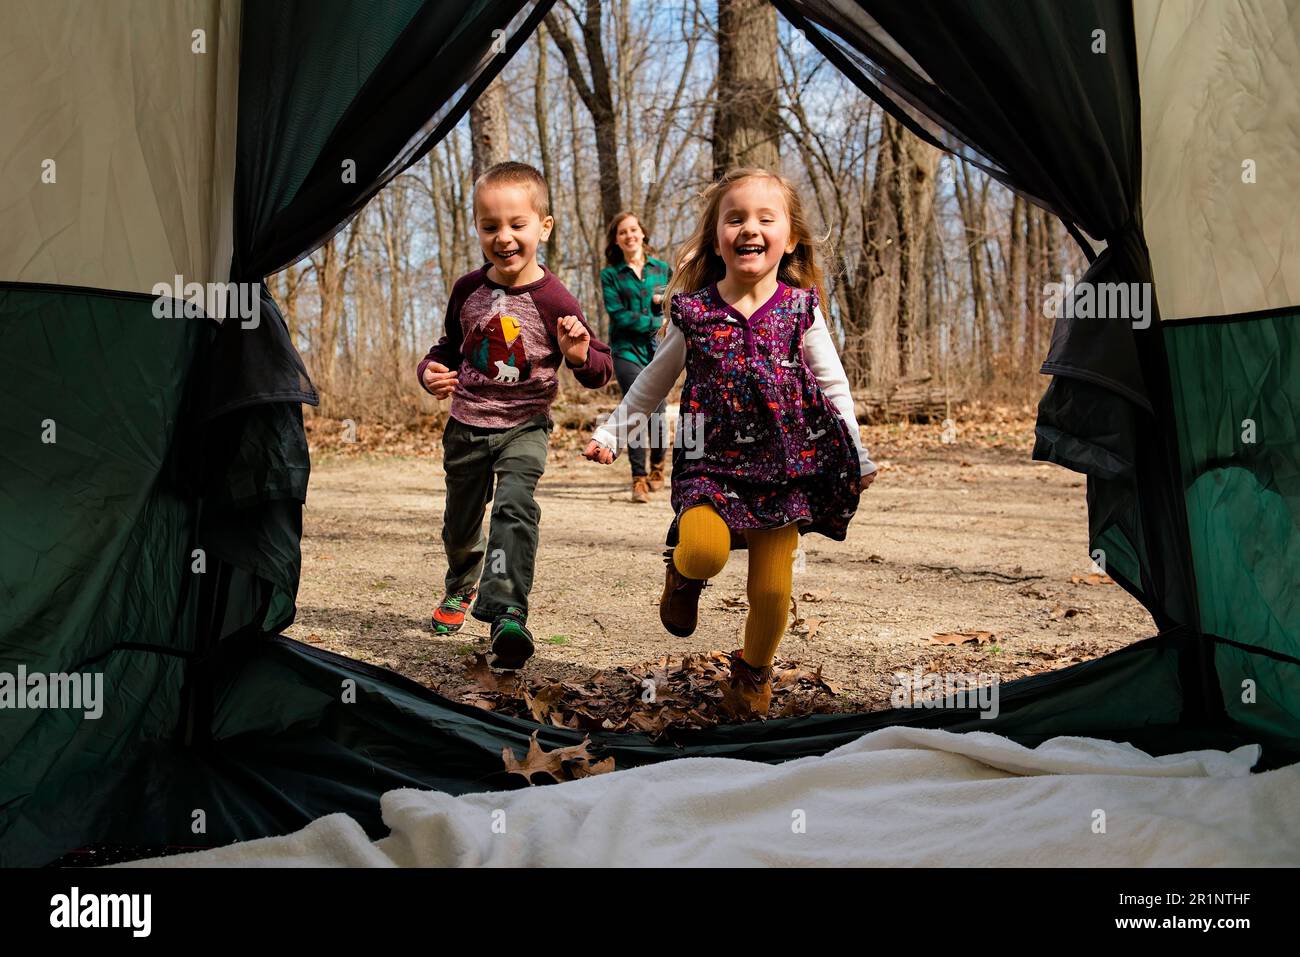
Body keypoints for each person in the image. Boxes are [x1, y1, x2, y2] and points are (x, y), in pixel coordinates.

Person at [584, 167, 876, 717]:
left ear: (789, 238)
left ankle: (752, 672)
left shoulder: (800, 309)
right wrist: (612, 434)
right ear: (716, 236)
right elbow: (652, 382)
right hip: (710, 465)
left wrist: (855, 452)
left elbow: (834, 384)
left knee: (770, 595)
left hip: (786, 468)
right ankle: (682, 574)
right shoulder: (695, 313)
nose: (750, 228)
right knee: (703, 550)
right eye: (735, 217)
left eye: (767, 218)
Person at [418, 161, 613, 669]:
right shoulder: (467, 290)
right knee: (460, 524)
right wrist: (431, 372)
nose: (503, 237)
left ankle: (507, 610)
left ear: (543, 226)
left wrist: (575, 355)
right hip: (466, 424)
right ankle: (461, 584)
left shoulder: (554, 298)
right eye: (490, 226)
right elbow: (448, 349)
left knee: (514, 507)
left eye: (516, 224)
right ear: (477, 228)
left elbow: (599, 370)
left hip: (525, 426)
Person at [600, 212, 673, 502]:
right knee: (635, 409)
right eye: (622, 232)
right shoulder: (611, 275)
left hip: (658, 350)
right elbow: (618, 315)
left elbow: (670, 304)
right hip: (626, 350)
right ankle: (638, 478)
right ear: (617, 241)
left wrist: (662, 311)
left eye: (633, 230)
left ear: (642, 233)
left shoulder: (662, 269)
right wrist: (653, 321)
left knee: (658, 409)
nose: (629, 235)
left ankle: (657, 464)